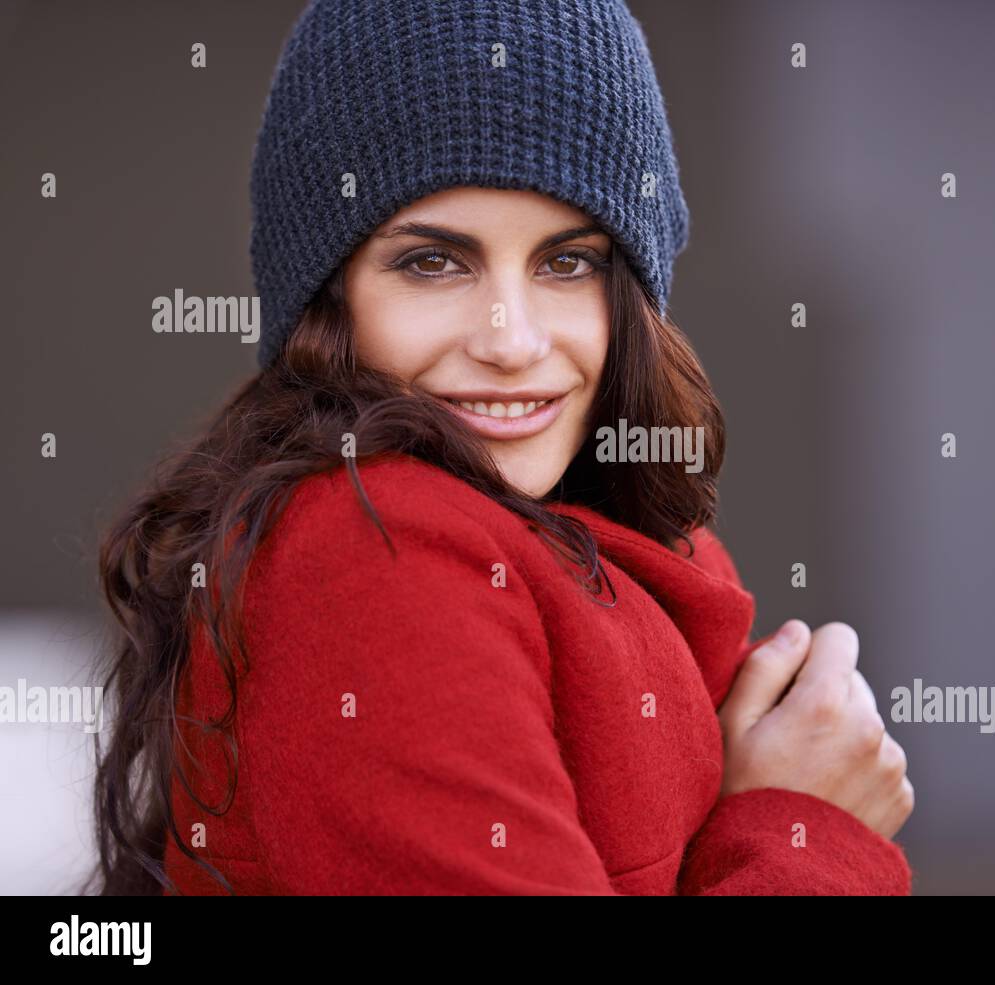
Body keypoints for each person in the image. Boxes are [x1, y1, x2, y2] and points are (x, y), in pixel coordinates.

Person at [85, 0, 914, 895]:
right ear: (325, 300)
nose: (511, 339)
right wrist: (807, 835)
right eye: (433, 262)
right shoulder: (372, 546)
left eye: (568, 262)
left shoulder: (609, 545)